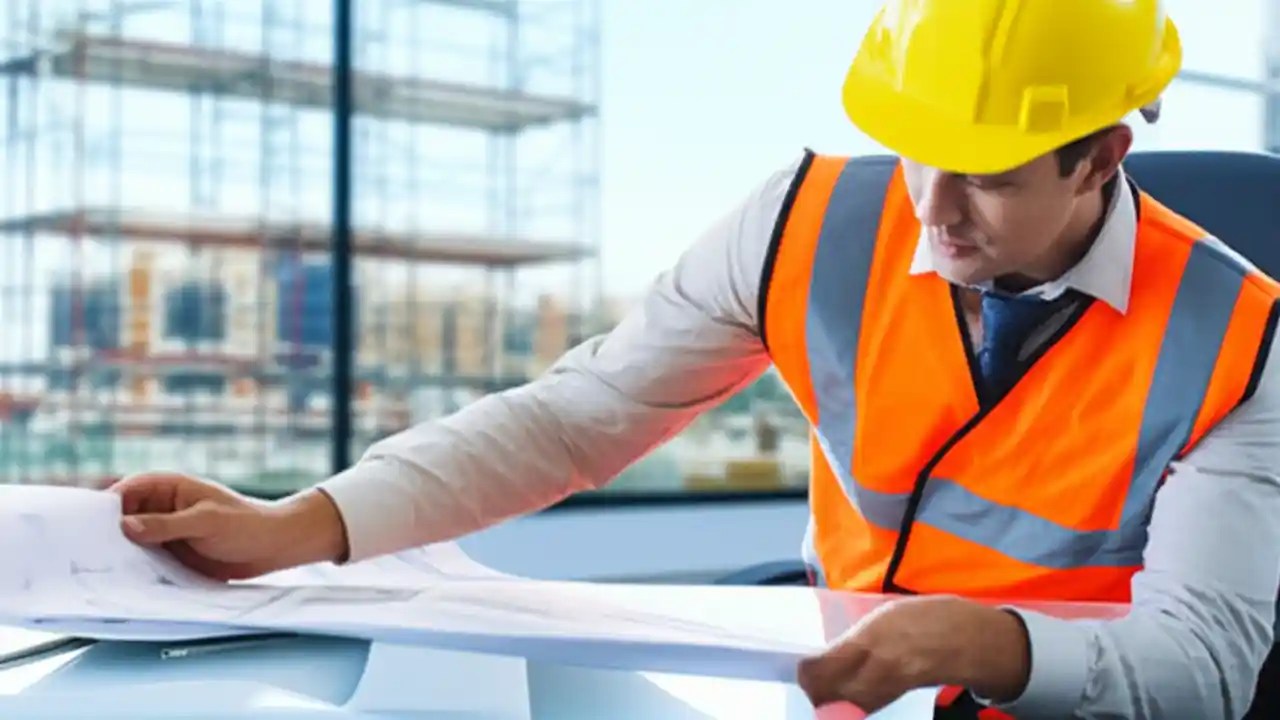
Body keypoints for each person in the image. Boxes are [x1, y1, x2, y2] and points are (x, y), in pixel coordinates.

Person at [109, 1, 1280, 717]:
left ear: (1099, 156)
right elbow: (579, 414)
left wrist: (988, 644)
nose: (933, 207)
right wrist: (298, 523)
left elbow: (1200, 667)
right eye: (918, 153)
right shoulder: (802, 224)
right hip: (831, 683)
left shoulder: (1237, 343)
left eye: (988, 173)